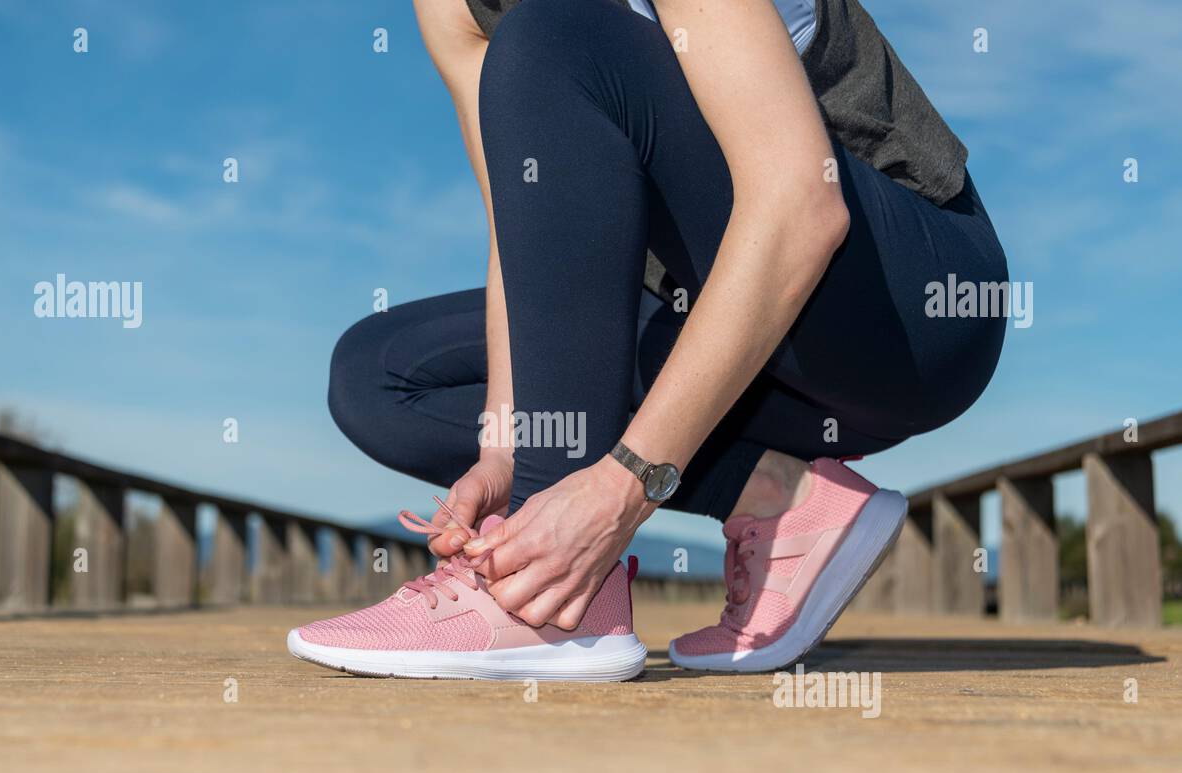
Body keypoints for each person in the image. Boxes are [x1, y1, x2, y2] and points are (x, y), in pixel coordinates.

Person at [287, 0, 1008, 680]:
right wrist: (508, 447)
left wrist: (624, 485)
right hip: (724, 327)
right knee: (378, 379)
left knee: (559, 29)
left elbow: (801, 209)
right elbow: (526, 235)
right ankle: (779, 497)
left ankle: (550, 610)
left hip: (900, 313)